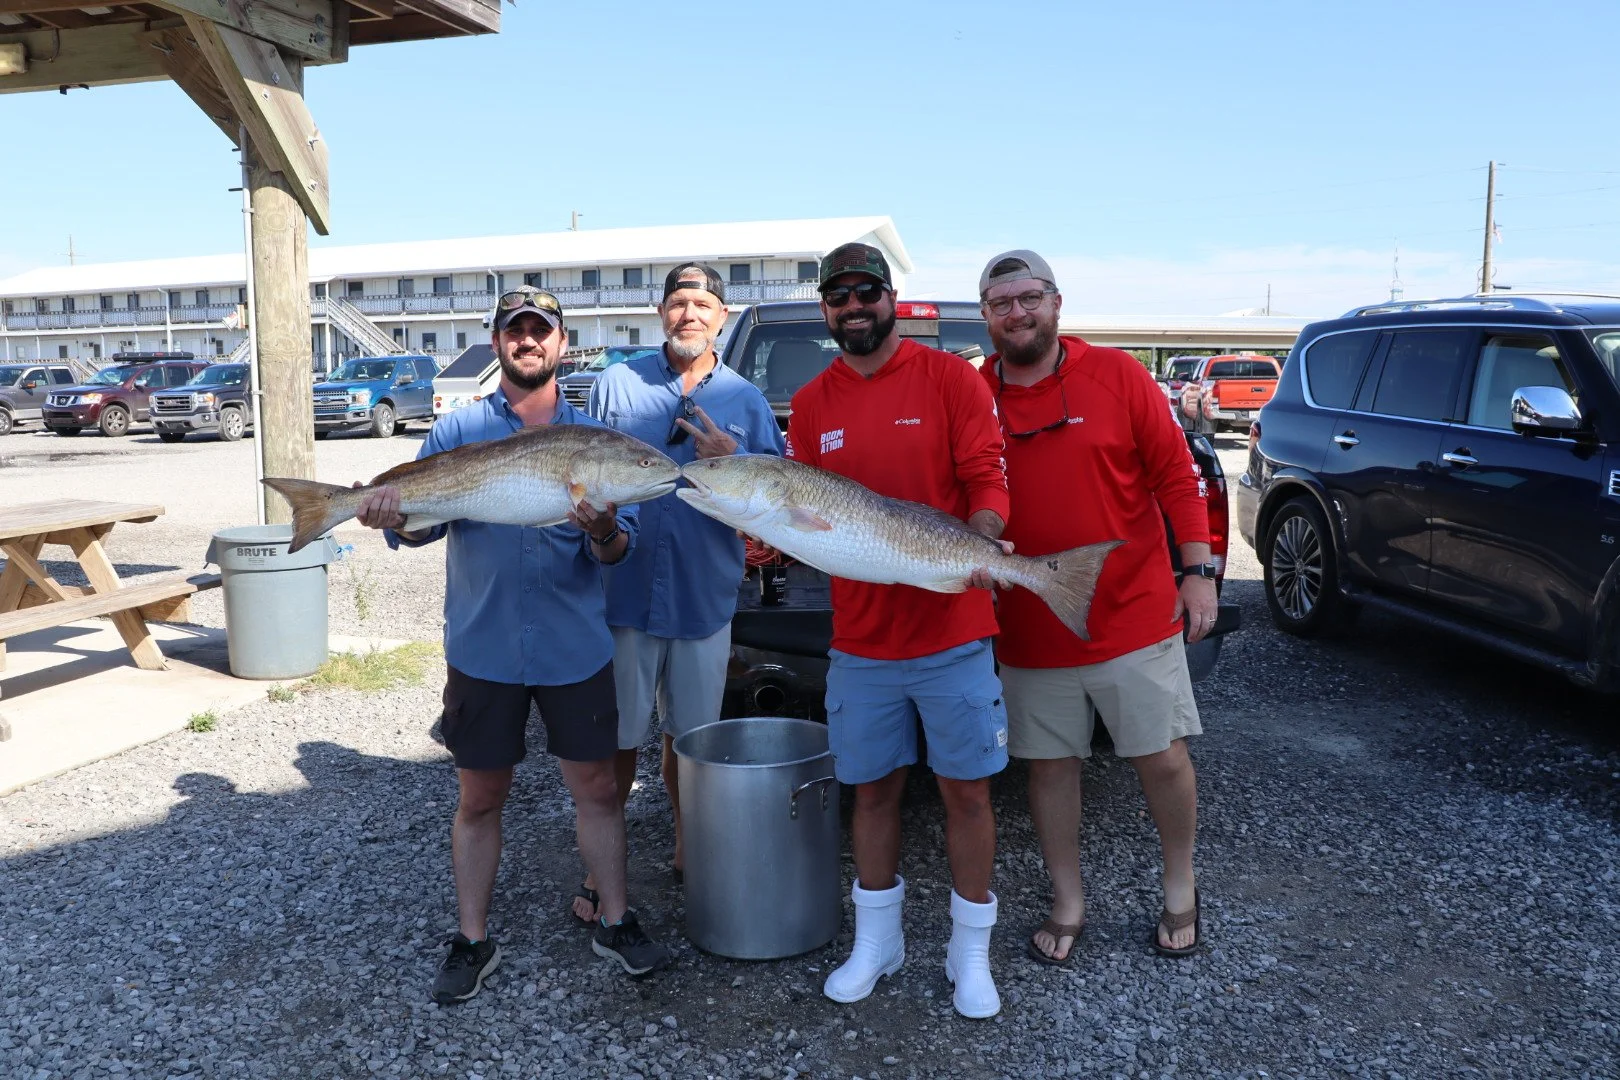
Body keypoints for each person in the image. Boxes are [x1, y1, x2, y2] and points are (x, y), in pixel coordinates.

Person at [355, 285, 672, 1003]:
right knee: (479, 796)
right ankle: (471, 938)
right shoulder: (456, 431)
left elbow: (620, 553)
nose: (528, 341)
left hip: (573, 646)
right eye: (515, 330)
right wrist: (387, 513)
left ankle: (614, 920)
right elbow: (420, 526)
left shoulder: (594, 442)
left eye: (541, 331)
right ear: (497, 342)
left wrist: (602, 529)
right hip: (484, 645)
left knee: (597, 789)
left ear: (561, 344)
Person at [786, 242, 1012, 1019]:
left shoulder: (950, 378)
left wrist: (981, 539)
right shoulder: (812, 403)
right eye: (838, 296)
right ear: (825, 310)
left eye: (867, 292)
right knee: (871, 795)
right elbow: (797, 513)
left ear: (891, 298)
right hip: (862, 642)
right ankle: (877, 942)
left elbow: (986, 474)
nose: (854, 306)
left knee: (969, 795)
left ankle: (969, 953)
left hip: (953, 628)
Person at [975, 250, 1213, 965]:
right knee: (1049, 768)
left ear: (1056, 302)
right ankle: (1068, 897)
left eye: (1029, 298)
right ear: (986, 316)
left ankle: (1180, 882)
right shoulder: (970, 391)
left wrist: (1200, 570)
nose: (1017, 313)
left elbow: (1177, 475)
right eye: (1000, 303)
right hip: (1028, 622)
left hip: (1131, 611)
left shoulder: (1117, 375)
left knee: (1160, 756)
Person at [582, 263, 784, 913]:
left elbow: (777, 503)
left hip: (703, 594)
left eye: (702, 303)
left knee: (692, 739)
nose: (688, 313)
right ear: (660, 312)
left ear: (723, 316)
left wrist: (733, 460)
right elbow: (578, 468)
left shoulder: (747, 402)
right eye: (677, 303)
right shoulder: (616, 384)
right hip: (622, 592)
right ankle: (602, 865)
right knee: (615, 738)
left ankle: (688, 844)